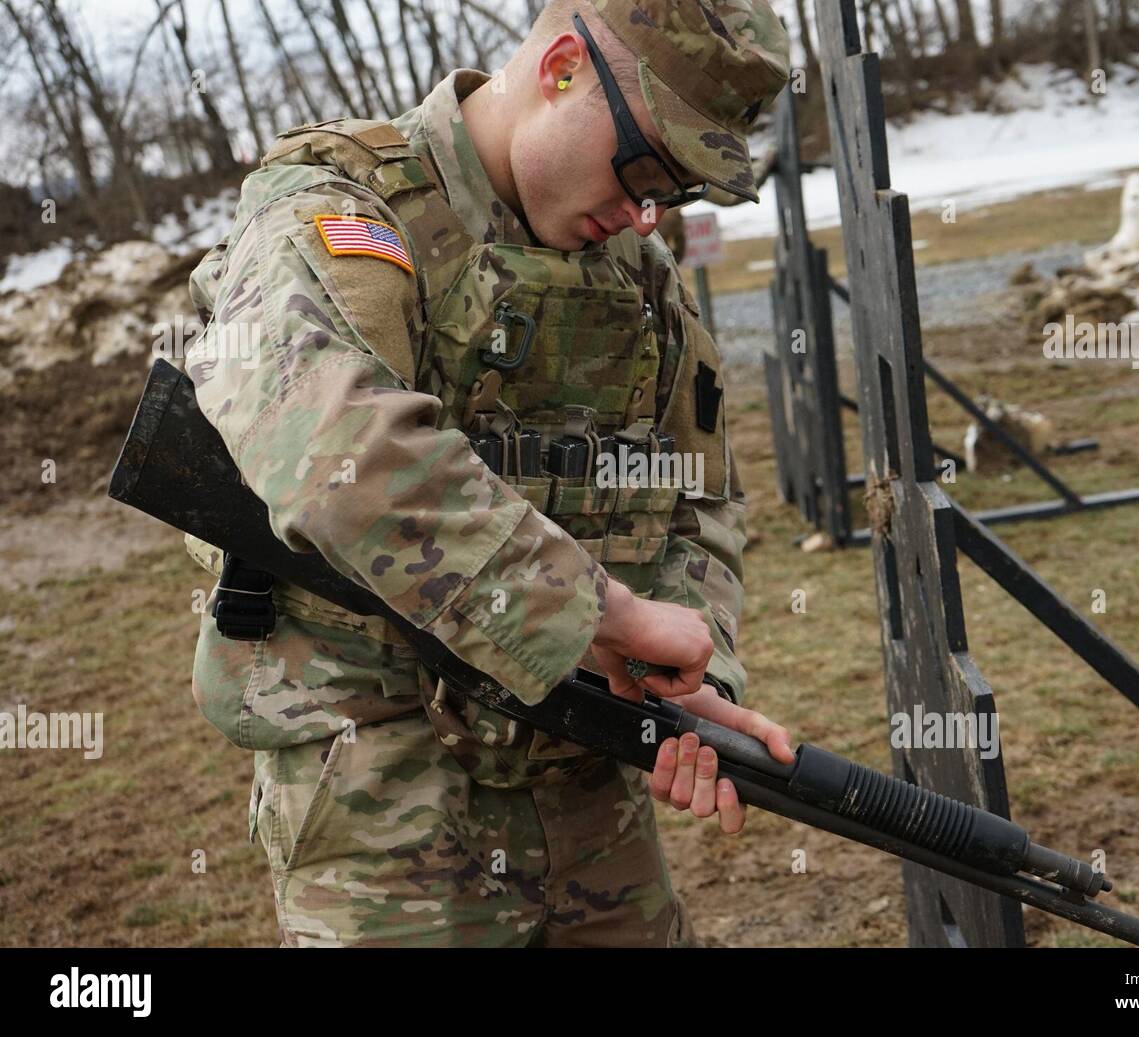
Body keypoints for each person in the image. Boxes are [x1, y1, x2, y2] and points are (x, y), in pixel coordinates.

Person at [181, 0, 793, 947]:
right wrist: (602, 614)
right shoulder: (336, 212)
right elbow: (340, 456)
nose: (647, 212)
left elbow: (696, 492)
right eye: (643, 169)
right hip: (387, 803)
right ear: (560, 69)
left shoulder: (638, 271)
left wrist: (687, 665)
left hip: (589, 790)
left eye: (677, 189)